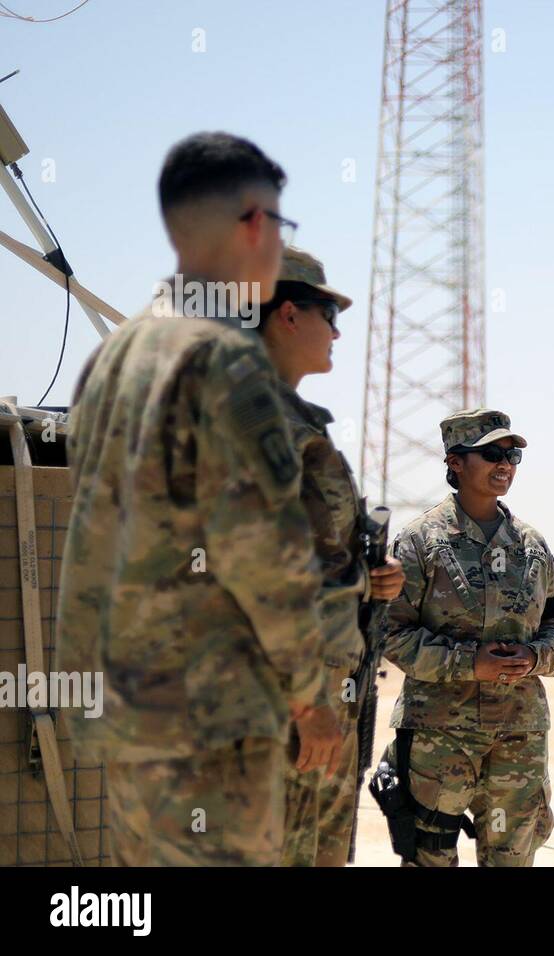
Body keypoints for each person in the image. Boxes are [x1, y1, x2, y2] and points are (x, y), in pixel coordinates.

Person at [56, 132, 340, 866]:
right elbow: (265, 555)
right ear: (254, 224)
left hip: (124, 716)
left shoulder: (113, 355)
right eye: (282, 224)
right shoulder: (223, 357)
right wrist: (311, 693)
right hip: (210, 722)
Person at [253, 247, 406, 866]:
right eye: (327, 311)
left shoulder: (294, 424)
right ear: (287, 314)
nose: (337, 329)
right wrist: (306, 702)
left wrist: (373, 583)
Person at [379, 408, 554, 866]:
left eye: (512, 455)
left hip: (519, 734)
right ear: (455, 462)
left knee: (513, 856)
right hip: (438, 734)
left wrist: (535, 656)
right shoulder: (418, 542)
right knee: (429, 856)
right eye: (491, 454)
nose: (505, 464)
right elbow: (389, 632)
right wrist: (469, 663)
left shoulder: (532, 544)